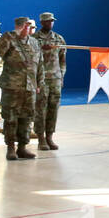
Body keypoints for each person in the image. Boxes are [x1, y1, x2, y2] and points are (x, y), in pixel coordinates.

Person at [0, 16, 41, 160]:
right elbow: (0, 50)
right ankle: (10, 148)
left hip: (30, 87)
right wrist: (15, 33)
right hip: (12, 86)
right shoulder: (9, 39)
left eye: (29, 26)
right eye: (24, 26)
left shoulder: (34, 42)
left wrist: (39, 83)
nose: (27, 28)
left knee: (27, 118)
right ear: (18, 26)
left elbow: (39, 65)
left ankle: (22, 147)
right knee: (10, 118)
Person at [33, 11, 66, 151]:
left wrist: (61, 76)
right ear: (41, 22)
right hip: (41, 79)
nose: (50, 23)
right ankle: (41, 138)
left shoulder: (59, 39)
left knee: (53, 109)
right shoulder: (34, 39)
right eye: (47, 21)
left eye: (52, 21)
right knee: (41, 109)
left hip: (55, 79)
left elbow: (62, 61)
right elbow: (30, 59)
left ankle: (49, 137)